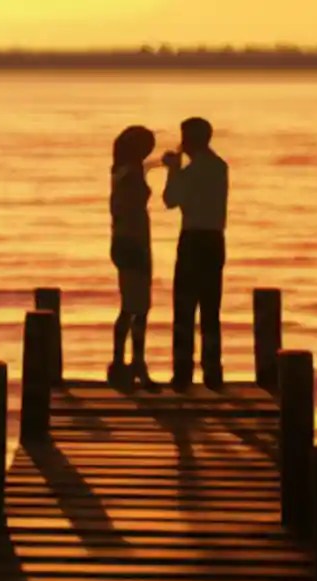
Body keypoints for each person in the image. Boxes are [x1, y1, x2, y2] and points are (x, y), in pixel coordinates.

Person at [161, 116, 229, 392]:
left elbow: (170, 199)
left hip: (193, 238)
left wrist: (173, 170)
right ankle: (212, 371)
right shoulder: (219, 166)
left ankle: (183, 371)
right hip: (214, 239)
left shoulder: (192, 171)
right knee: (211, 308)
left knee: (185, 307)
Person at [108, 125, 161, 391]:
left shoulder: (120, 170)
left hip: (126, 239)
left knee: (133, 305)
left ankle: (125, 362)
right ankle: (131, 364)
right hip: (134, 241)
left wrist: (159, 163)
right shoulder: (131, 173)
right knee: (136, 307)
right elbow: (130, 202)